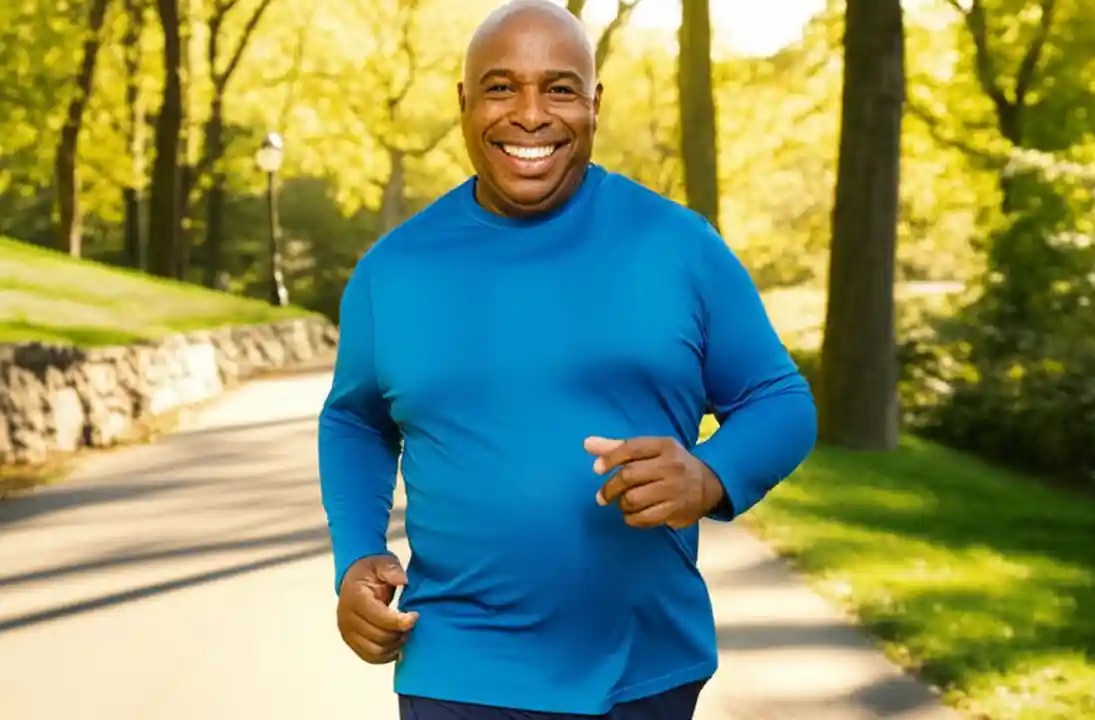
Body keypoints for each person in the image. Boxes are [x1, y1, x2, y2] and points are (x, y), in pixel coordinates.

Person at [316, 1, 817, 718]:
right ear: (463, 103)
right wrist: (356, 557)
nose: (529, 114)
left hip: (642, 670)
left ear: (593, 103)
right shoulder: (392, 271)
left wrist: (711, 473)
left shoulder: (678, 246)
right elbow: (357, 422)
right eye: (499, 87)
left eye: (558, 88)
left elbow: (779, 399)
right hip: (456, 670)